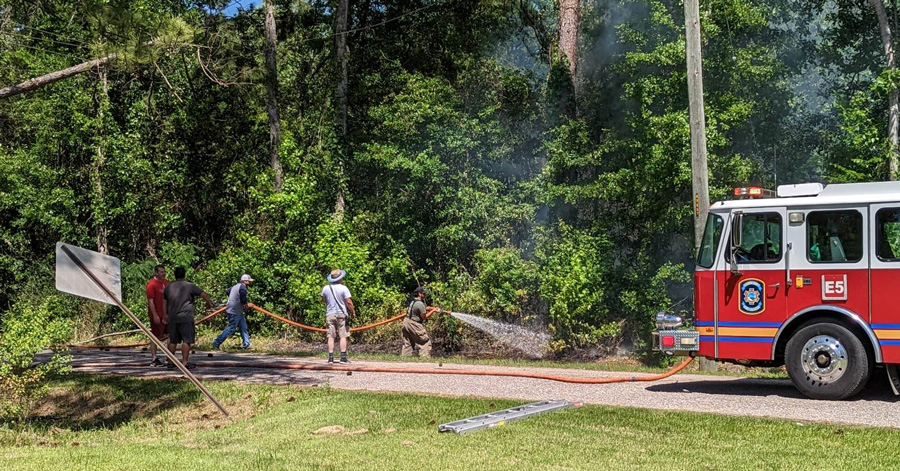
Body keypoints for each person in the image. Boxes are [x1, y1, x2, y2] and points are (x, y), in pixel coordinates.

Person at [163, 266, 213, 369]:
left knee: (173, 340)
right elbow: (204, 295)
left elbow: (164, 302)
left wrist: (165, 314)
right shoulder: (189, 286)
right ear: (184, 275)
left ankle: (170, 361)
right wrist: (208, 303)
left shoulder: (168, 286)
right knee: (187, 340)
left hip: (173, 317)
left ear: (174, 275)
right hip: (186, 317)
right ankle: (184, 362)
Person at [321, 268, 355, 364]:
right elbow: (349, 302)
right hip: (341, 314)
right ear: (340, 278)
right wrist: (353, 312)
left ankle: (330, 358)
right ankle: (343, 357)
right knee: (343, 335)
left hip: (330, 314)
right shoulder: (344, 288)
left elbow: (323, 300)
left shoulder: (326, 288)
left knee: (330, 336)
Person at [212, 274, 253, 350]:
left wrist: (233, 299)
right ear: (245, 281)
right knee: (231, 328)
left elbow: (228, 291)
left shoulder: (235, 286)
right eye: (249, 281)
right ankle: (216, 342)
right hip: (234, 310)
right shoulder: (243, 289)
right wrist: (247, 304)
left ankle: (246, 344)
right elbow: (243, 300)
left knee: (243, 327)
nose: (250, 283)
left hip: (236, 310)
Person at [145, 264, 168, 366]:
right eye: (161, 272)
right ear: (156, 273)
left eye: (164, 272)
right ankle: (154, 358)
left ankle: (169, 357)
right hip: (157, 314)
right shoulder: (151, 284)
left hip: (166, 314)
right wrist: (155, 315)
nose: (164, 274)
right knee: (155, 336)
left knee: (170, 335)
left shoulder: (167, 283)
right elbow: (150, 301)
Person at [401, 286, 432, 358]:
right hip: (414, 324)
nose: (424, 295)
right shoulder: (420, 304)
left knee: (408, 343)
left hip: (406, 322)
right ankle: (425, 359)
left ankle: (404, 359)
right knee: (425, 341)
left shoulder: (413, 302)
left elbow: (416, 311)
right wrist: (433, 311)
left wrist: (427, 309)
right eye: (423, 294)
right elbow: (424, 318)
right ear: (419, 294)